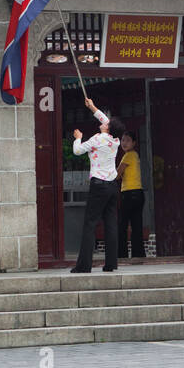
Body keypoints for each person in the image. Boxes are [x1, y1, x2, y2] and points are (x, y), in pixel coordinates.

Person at [70, 97, 126, 273]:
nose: (105, 122)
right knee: (110, 223)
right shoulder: (116, 140)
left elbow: (77, 151)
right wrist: (92, 107)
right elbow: (105, 120)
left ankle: (84, 265)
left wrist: (78, 138)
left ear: (108, 128)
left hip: (98, 185)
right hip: (112, 186)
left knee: (90, 223)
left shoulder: (98, 138)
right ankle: (111, 264)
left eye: (107, 123)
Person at [117, 131, 146, 260]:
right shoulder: (135, 155)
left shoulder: (128, 156)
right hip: (139, 193)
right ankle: (138, 255)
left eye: (128, 140)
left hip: (128, 194)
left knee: (122, 225)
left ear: (134, 143)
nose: (124, 143)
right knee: (137, 226)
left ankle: (122, 255)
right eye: (123, 140)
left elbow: (117, 175)